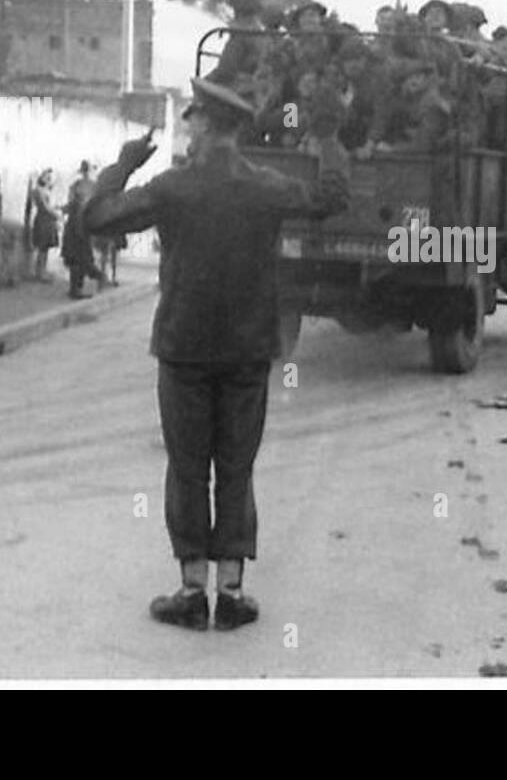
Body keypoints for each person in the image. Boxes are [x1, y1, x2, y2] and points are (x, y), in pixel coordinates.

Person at [84, 77, 350, 631]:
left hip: (184, 349)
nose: (189, 128)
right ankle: (231, 592)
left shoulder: (172, 187)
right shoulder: (266, 187)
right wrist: (327, 140)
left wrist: (124, 163)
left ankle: (190, 589)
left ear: (206, 125)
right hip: (248, 349)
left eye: (194, 119)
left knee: (187, 469)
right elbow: (330, 198)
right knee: (236, 466)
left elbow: (97, 217)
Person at [205, 0, 266, 105]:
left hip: (242, 90)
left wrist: (207, 80)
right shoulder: (265, 37)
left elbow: (226, 70)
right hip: (261, 89)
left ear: (239, 15)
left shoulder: (240, 37)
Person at [61, 160, 106, 299]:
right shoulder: (79, 186)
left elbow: (95, 205)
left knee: (80, 260)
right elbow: (70, 205)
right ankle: (76, 288)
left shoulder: (90, 187)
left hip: (81, 228)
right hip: (76, 228)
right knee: (77, 260)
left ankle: (84, 284)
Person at [29, 169, 59, 281]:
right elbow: (44, 206)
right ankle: (39, 273)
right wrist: (56, 214)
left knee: (46, 247)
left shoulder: (46, 191)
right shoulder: (38, 191)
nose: (49, 180)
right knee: (42, 247)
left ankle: (43, 271)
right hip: (43, 220)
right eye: (47, 177)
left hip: (48, 221)